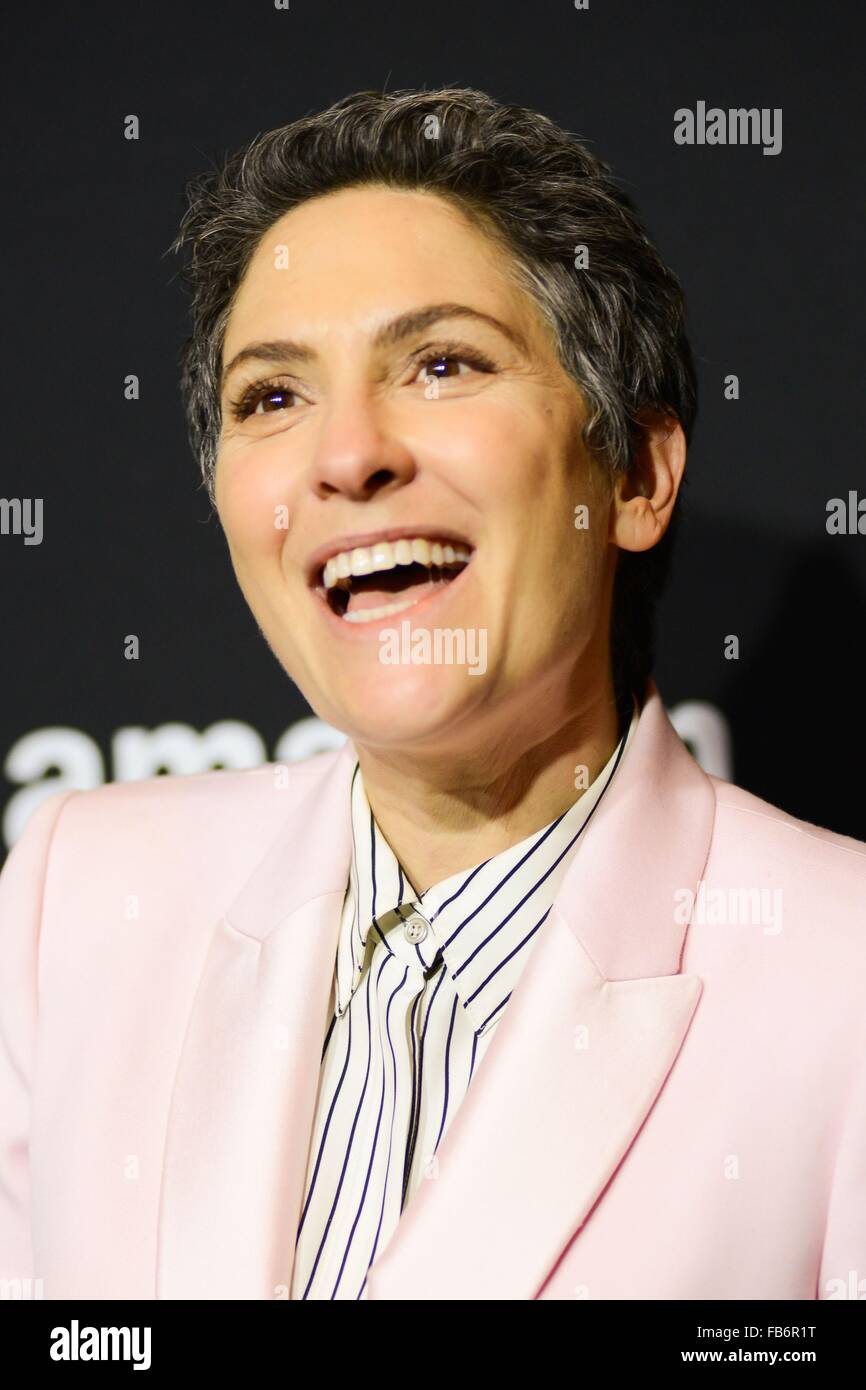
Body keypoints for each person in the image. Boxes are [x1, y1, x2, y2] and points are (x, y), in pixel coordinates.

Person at [1, 87, 864, 1302]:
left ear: (633, 474)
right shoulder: (75, 903)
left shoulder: (842, 977)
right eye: (272, 396)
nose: (348, 454)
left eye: (442, 363)